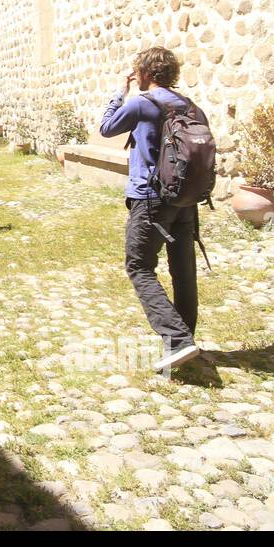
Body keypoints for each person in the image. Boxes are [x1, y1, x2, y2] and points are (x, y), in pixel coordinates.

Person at [99, 46, 208, 373]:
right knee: (183, 271)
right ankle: (183, 340)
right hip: (185, 198)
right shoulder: (192, 107)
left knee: (139, 266)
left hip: (151, 197)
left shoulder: (142, 104)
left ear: (144, 73)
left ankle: (178, 340)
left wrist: (121, 91)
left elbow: (106, 128)